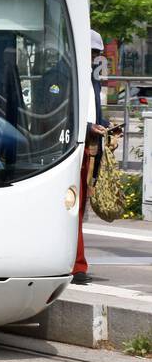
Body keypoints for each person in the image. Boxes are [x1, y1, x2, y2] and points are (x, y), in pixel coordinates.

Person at [73, 29, 115, 285]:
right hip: (69, 149)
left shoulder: (91, 79)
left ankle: (76, 263)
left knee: (77, 209)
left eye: (95, 53)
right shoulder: (62, 76)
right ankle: (76, 264)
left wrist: (104, 125)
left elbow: (91, 112)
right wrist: (89, 127)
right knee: (73, 208)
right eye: (90, 52)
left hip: (88, 149)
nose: (92, 58)